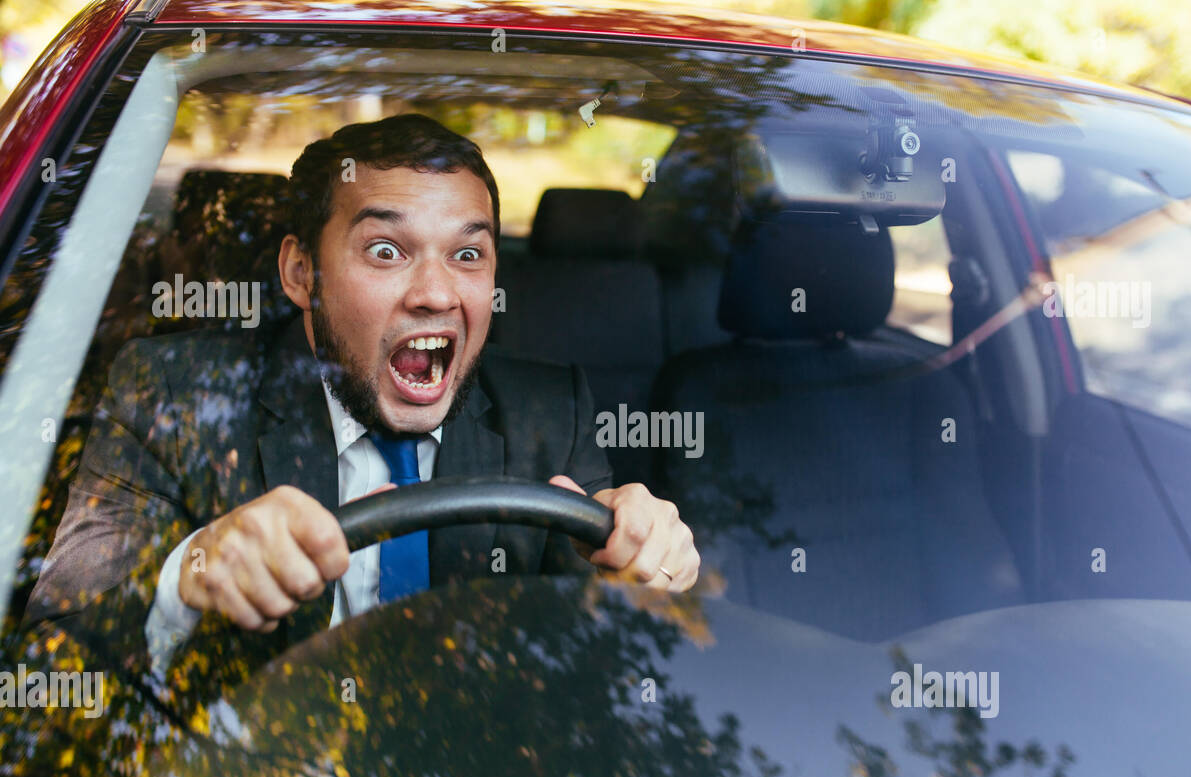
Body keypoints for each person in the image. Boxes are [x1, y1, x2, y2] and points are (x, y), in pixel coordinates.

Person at [21, 113, 699, 686]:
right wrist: (191, 571)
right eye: (385, 250)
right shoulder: (169, 395)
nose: (436, 294)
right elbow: (55, 665)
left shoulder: (554, 412)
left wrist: (643, 571)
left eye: (468, 256)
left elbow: (596, 670)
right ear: (300, 272)